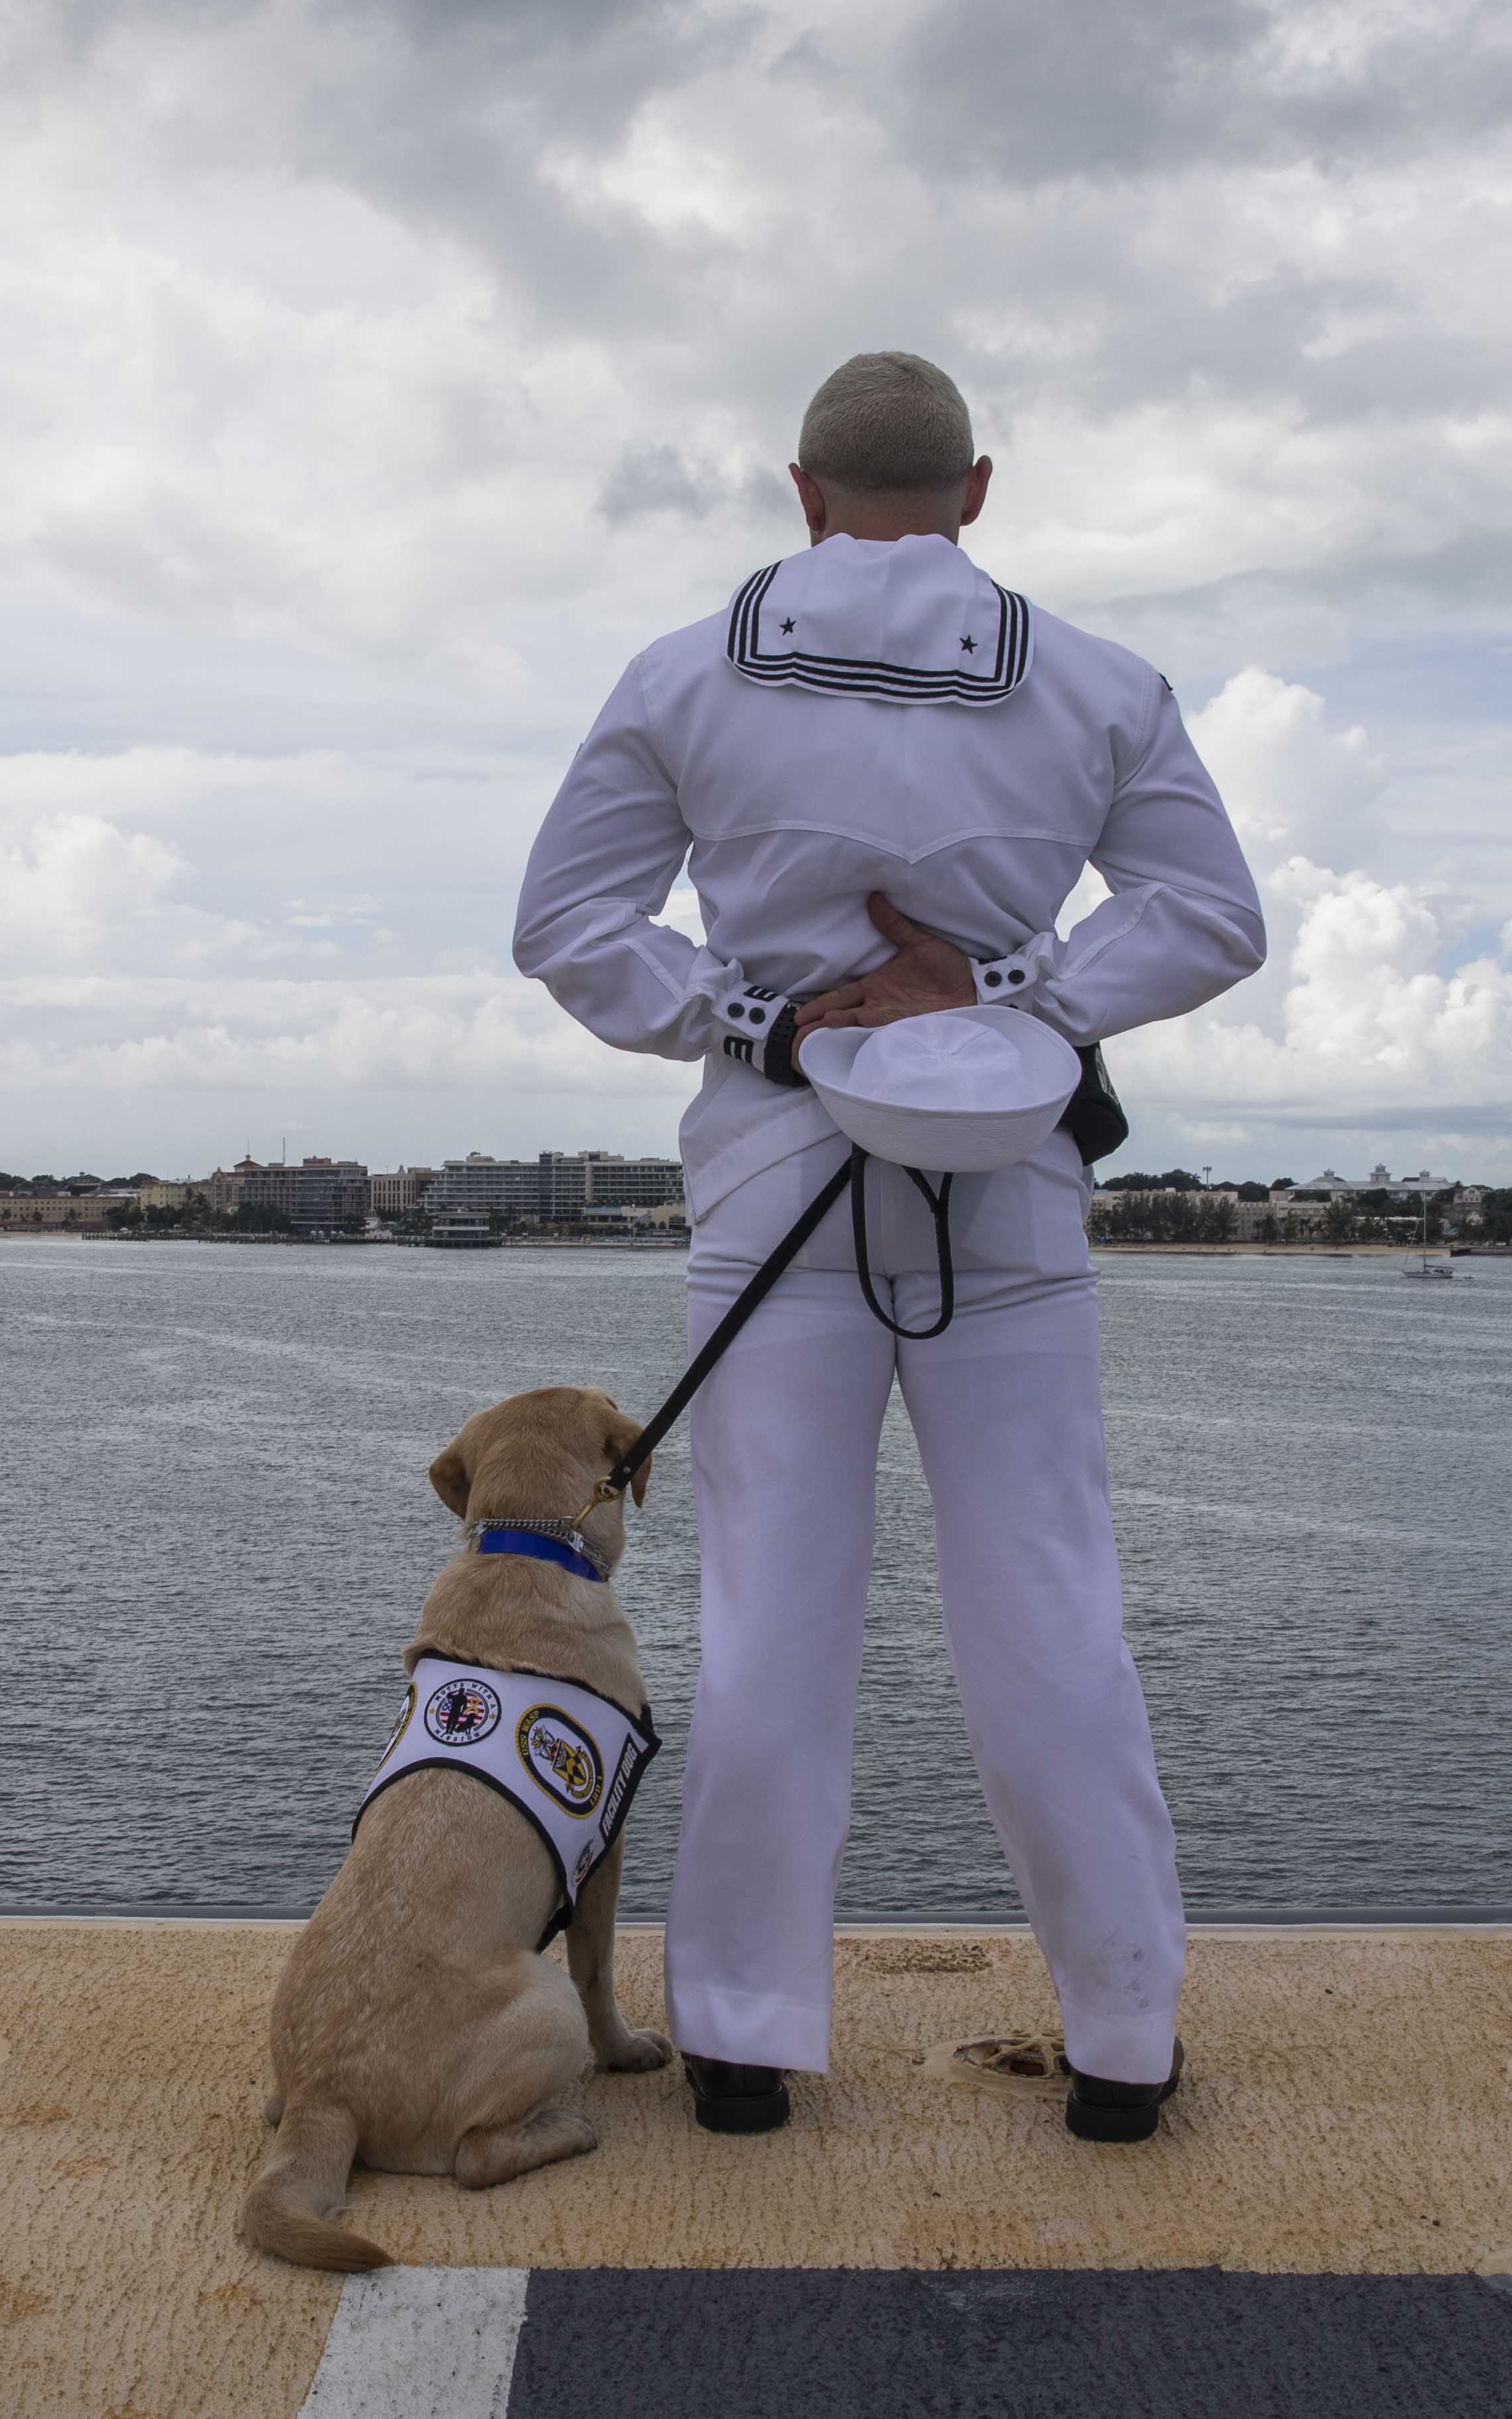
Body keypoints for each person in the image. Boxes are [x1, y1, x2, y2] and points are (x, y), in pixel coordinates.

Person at [512, 351, 1265, 2142]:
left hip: (774, 1182)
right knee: (1051, 1611)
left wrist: (773, 1025)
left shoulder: (682, 673)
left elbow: (565, 922)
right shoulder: (1094, 681)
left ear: (800, 492)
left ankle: (745, 2039)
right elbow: (1212, 915)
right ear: (979, 492)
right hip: (1005, 1185)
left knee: (774, 1619)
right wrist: (1013, 995)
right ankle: (1123, 2044)